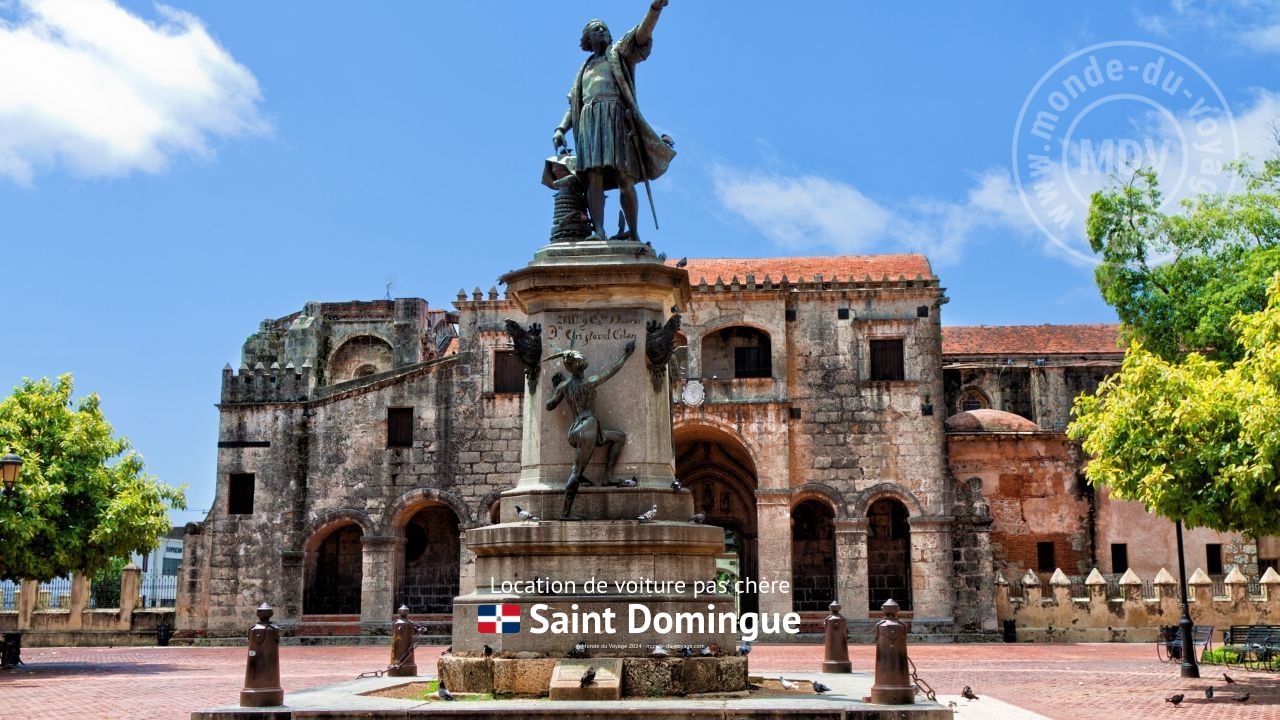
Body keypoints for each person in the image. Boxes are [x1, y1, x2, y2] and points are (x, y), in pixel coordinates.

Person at [552, 0, 675, 242]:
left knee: (624, 177)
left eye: (605, 28)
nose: (603, 31)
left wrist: (654, 9)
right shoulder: (584, 69)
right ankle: (598, 231)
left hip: (615, 117)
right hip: (588, 120)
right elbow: (573, 104)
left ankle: (634, 233)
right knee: (593, 176)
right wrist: (560, 128)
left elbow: (641, 33)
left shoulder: (618, 53)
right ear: (588, 39)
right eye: (597, 29)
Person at [545, 340, 636, 518]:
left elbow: (549, 406)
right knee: (577, 472)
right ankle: (565, 513)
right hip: (588, 427)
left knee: (619, 438)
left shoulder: (565, 386)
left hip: (579, 428)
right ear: (579, 367)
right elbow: (611, 371)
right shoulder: (589, 383)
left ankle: (608, 476)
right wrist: (625, 355)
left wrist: (557, 389)